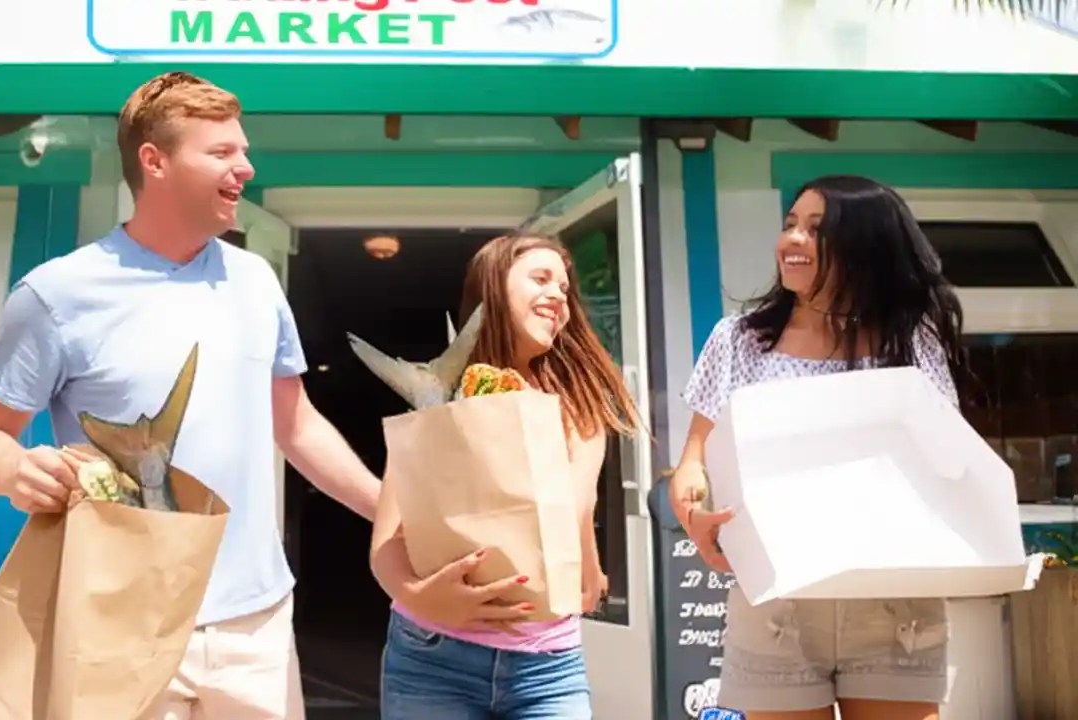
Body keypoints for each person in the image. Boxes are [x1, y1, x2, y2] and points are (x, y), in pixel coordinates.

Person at [0, 71, 384, 720]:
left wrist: (390, 507)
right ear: (154, 162)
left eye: (242, 150)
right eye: (221, 152)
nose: (245, 166)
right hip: (116, 618)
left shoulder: (255, 280)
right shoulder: (55, 295)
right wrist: (17, 469)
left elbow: (295, 425)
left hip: (255, 622)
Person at [669, 175, 970, 720]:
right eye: (789, 225)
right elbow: (694, 459)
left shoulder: (913, 342)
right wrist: (693, 512)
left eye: (815, 229)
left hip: (894, 601)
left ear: (865, 246)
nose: (792, 240)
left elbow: (946, 463)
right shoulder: (738, 341)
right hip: (774, 601)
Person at [370, 233, 641, 719]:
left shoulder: (579, 405)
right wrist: (422, 598)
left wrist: (591, 572)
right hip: (434, 655)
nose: (559, 295)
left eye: (565, 286)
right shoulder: (443, 400)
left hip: (548, 667)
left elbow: (576, 514)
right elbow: (386, 546)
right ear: (494, 288)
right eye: (541, 278)